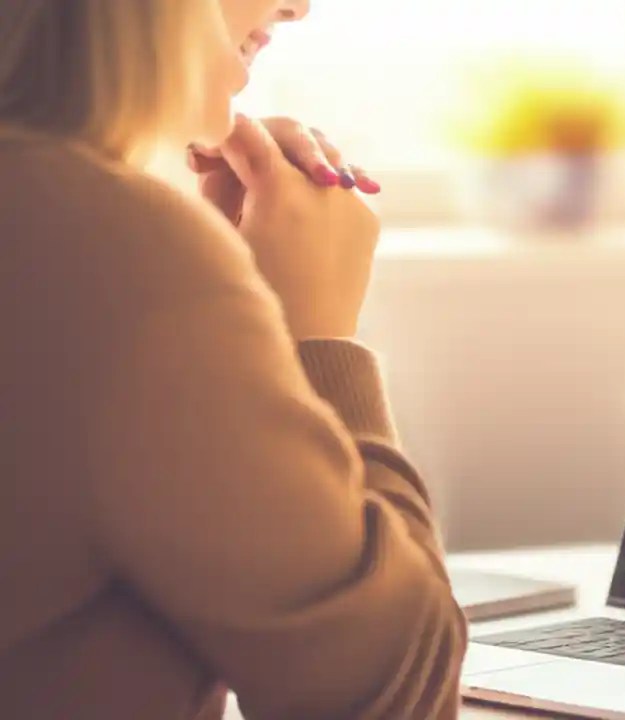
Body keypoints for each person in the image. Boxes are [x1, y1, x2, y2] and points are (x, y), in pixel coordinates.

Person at [0, 2, 466, 719]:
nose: (299, 6)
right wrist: (316, 340)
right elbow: (391, 694)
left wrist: (221, 328)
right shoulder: (116, 257)